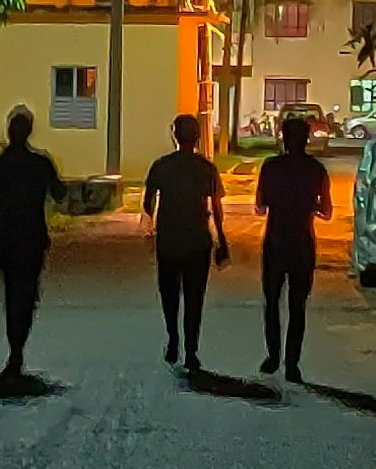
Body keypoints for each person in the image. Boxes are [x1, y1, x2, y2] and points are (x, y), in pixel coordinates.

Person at [0, 104, 67, 378]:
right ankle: (18, 345)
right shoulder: (40, 164)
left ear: (8, 131)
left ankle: (15, 348)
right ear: (29, 132)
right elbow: (60, 194)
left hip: (6, 237)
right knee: (27, 291)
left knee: (11, 289)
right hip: (33, 237)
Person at [138, 112, 230, 372]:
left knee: (169, 294)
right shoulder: (206, 168)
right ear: (198, 137)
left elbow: (147, 202)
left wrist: (153, 225)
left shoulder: (161, 166)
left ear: (174, 135)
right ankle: (191, 350)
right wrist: (222, 241)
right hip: (198, 240)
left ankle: (173, 339)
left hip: (169, 240)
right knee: (194, 297)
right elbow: (216, 207)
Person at [251, 108, 333, 381]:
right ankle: (292, 363)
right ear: (307, 140)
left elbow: (260, 207)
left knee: (272, 301)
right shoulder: (316, 170)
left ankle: (272, 356)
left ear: (283, 139)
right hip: (302, 242)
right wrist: (311, 206)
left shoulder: (271, 168)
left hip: (275, 241)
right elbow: (328, 212)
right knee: (297, 305)